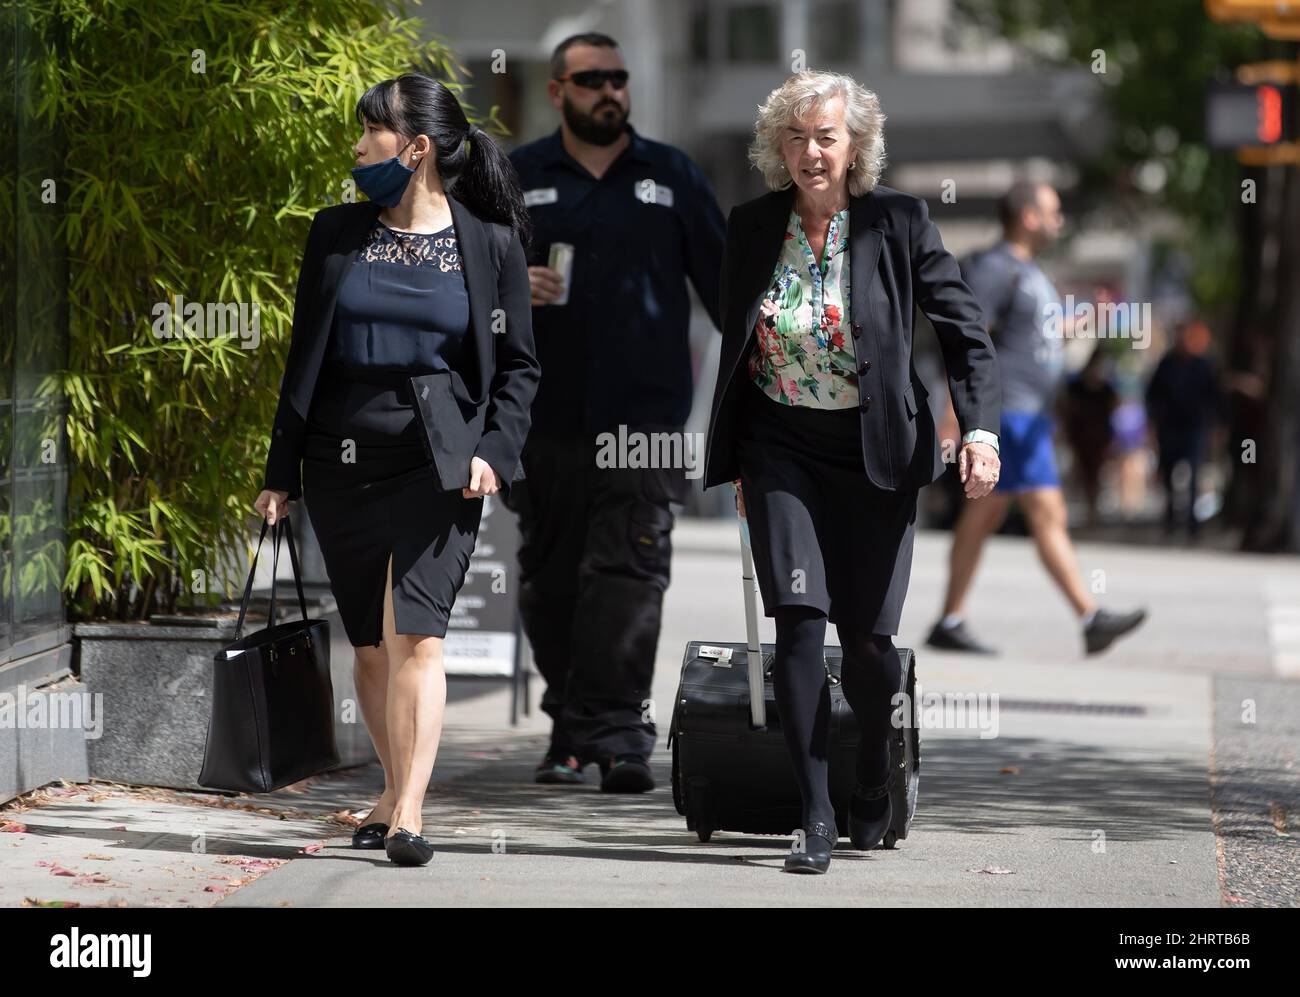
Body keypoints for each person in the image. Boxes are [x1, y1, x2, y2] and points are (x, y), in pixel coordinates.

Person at [702, 70, 1002, 875]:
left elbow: (965, 333)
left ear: (857, 145)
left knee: (867, 644)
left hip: (875, 453)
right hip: (781, 449)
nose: (809, 152)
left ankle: (875, 755)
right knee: (799, 620)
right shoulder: (752, 225)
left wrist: (979, 431)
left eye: (826, 137)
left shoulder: (899, 222)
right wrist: (731, 452)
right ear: (777, 147)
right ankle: (815, 812)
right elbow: (735, 341)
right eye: (794, 138)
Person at [253, 73, 539, 866]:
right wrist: (281, 472)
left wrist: (494, 451)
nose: (356, 147)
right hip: (341, 459)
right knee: (370, 649)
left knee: (416, 635)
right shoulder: (336, 232)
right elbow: (303, 357)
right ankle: (389, 785)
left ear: (414, 148)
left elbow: (519, 368)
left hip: (438, 463)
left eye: (369, 132)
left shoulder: (489, 243)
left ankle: (409, 809)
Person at [506, 32, 725, 792]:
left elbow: (730, 296)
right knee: (551, 577)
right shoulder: (518, 174)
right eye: (591, 79)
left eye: (618, 79)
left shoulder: (671, 175)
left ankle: (619, 731)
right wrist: (512, 293)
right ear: (557, 91)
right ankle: (573, 722)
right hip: (541, 417)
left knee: (631, 570)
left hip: (649, 423)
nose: (609, 91)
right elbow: (468, 290)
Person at [925, 181, 1147, 657]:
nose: (1059, 220)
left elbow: (1038, 337)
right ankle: (1090, 615)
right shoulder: (996, 269)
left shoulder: (1030, 273)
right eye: (1053, 211)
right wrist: (953, 413)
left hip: (1027, 417)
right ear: (1027, 216)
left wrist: (1085, 320)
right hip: (1011, 415)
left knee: (981, 517)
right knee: (1048, 513)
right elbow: (966, 339)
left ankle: (950, 617)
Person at [1145, 319, 1224, 537]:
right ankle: (1170, 520)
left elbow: (1215, 397)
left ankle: (1192, 523)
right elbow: (1152, 397)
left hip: (1195, 427)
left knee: (1194, 475)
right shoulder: (1166, 364)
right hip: (1169, 428)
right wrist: (1152, 426)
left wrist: (1218, 425)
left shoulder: (1203, 366)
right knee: (1169, 474)